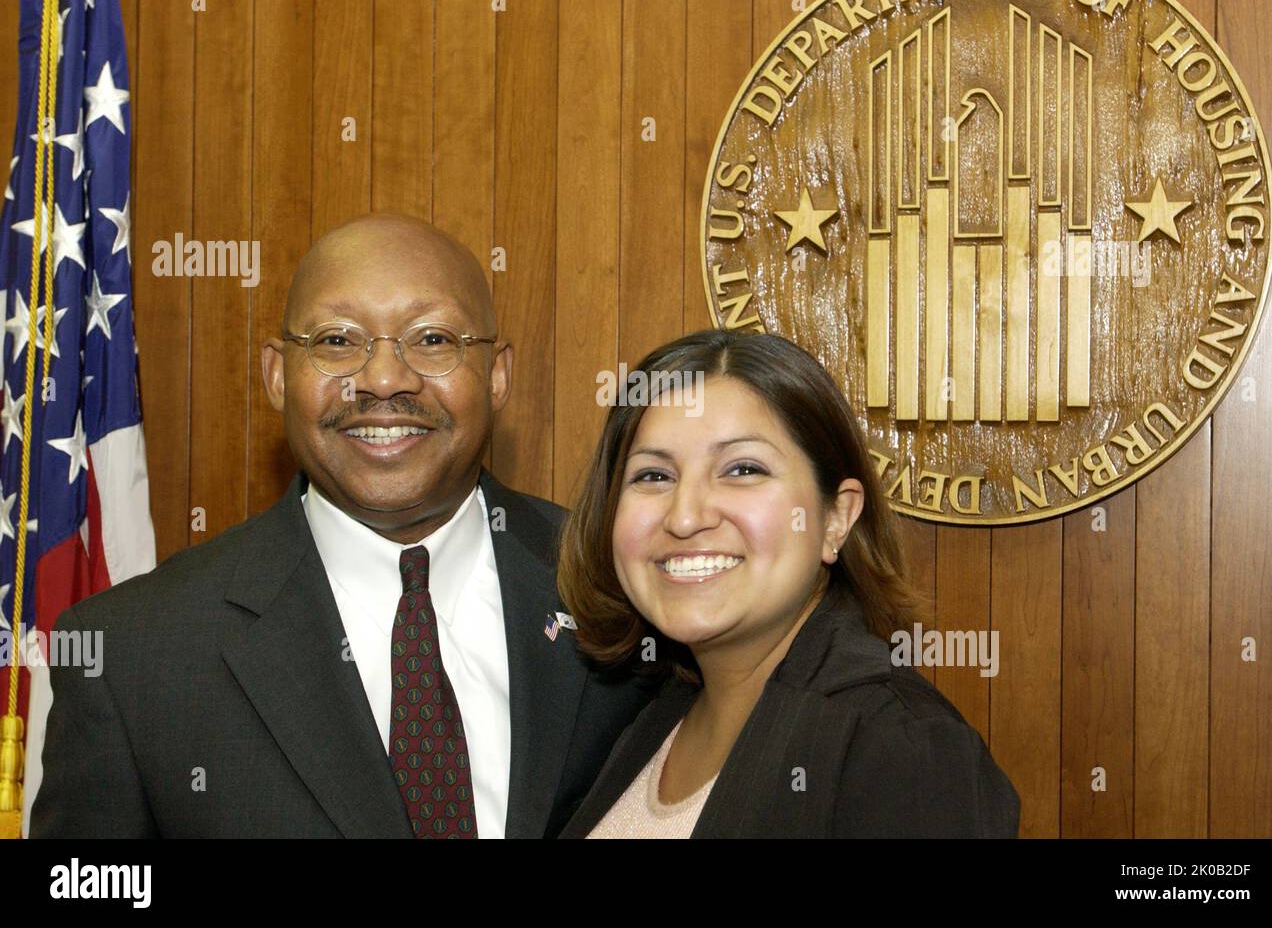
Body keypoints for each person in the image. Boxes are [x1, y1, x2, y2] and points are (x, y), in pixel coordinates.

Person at [30, 213, 655, 838]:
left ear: (497, 376)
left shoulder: (624, 588)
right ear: (277, 375)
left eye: (434, 339)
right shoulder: (131, 654)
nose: (384, 380)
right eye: (336, 341)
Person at [557, 329, 1020, 838]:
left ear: (836, 519)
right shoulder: (655, 713)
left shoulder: (904, 748)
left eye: (742, 469)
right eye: (653, 476)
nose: (685, 517)